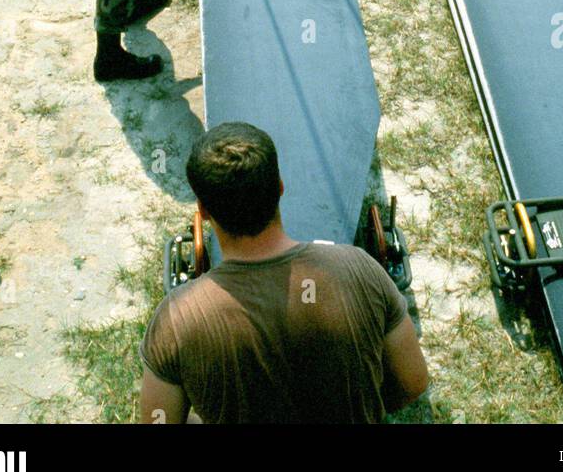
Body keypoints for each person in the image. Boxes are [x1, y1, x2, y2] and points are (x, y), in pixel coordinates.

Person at [139, 122, 429, 424]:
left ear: (204, 210)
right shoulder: (360, 270)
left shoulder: (176, 321)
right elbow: (412, 382)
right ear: (279, 187)